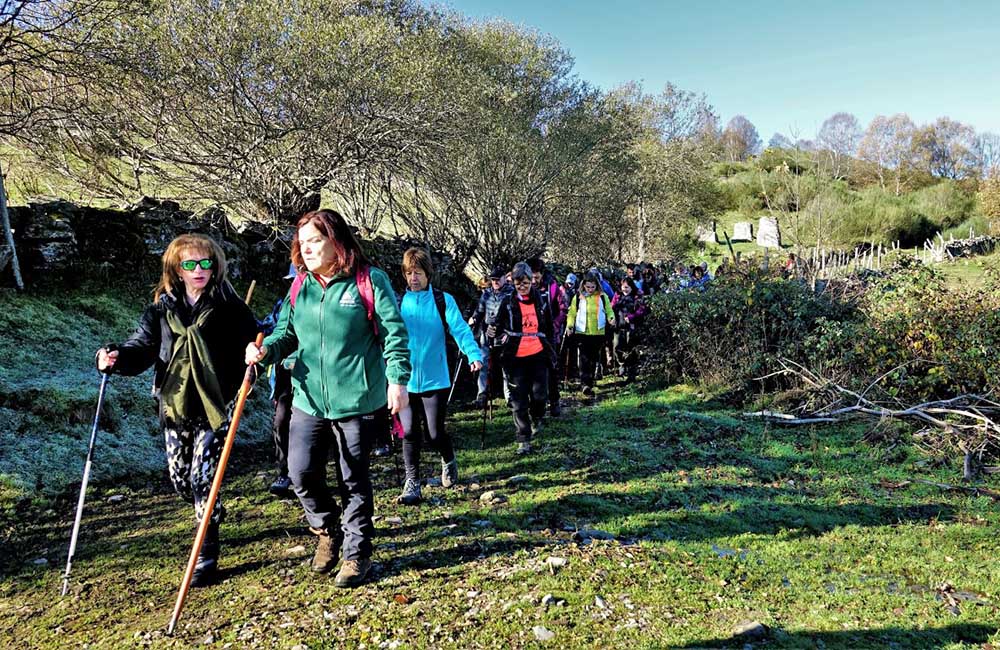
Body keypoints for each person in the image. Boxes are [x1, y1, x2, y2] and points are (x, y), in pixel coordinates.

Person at [245, 209, 410, 589]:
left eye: (315, 241)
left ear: (337, 241)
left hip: (358, 400)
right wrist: (264, 351)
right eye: (302, 243)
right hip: (307, 397)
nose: (307, 249)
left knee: (353, 478)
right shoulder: (300, 285)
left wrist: (397, 381)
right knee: (300, 472)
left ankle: (356, 554)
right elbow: (285, 333)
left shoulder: (370, 281)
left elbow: (394, 335)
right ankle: (326, 530)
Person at [96, 233, 257, 588]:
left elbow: (255, 340)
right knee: (182, 479)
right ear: (176, 269)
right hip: (174, 402)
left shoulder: (230, 306)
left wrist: (255, 356)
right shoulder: (161, 309)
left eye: (205, 263)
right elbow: (142, 347)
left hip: (217, 402)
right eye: (190, 264)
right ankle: (209, 511)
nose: (199, 270)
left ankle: (206, 551)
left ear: (215, 267)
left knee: (203, 477)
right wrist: (115, 356)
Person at [396, 248, 482, 505]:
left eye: (418, 273)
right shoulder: (399, 301)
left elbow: (459, 329)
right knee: (409, 431)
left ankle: (449, 459)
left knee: (434, 434)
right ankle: (412, 482)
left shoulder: (443, 300)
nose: (413, 278)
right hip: (405, 379)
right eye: (409, 273)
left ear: (428, 274)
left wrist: (472, 354)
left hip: (436, 378)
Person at [489, 262, 555, 454]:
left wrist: (551, 350)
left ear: (531, 281)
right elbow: (497, 325)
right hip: (514, 357)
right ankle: (523, 439)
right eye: (518, 283)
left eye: (525, 282)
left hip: (538, 354)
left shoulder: (541, 301)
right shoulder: (508, 302)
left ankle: (537, 416)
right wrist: (492, 330)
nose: (522, 286)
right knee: (518, 401)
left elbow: (549, 328)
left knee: (540, 395)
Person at [257, 263, 298, 497]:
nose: (295, 282)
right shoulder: (284, 303)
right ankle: (284, 472)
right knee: (281, 421)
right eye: (293, 278)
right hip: (285, 372)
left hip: (313, 372)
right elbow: (270, 328)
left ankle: (308, 473)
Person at [468, 265, 513, 406]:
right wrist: (474, 318)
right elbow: (480, 310)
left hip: (504, 335)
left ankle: (510, 396)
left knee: (506, 366)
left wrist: (506, 332)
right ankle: (482, 394)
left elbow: (514, 317)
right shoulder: (486, 294)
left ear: (504, 278)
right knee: (483, 363)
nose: (495, 282)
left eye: (497, 279)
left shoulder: (511, 294)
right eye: (493, 279)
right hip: (486, 333)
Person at [565, 272, 615, 396]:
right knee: (583, 358)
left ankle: (590, 381)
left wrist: (611, 318)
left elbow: (609, 310)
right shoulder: (578, 297)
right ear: (583, 286)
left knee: (593, 358)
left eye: (593, 287)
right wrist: (570, 326)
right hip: (582, 331)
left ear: (597, 286)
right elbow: (572, 312)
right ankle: (584, 383)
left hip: (598, 331)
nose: (590, 289)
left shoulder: (603, 297)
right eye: (588, 287)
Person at [528, 257, 567, 416]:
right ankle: (537, 406)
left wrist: (555, 326)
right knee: (533, 372)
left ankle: (554, 401)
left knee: (551, 369)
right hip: (529, 335)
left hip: (549, 335)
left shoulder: (552, 286)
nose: (533, 280)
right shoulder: (524, 288)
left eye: (536, 276)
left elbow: (562, 308)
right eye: (531, 276)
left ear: (542, 274)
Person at [611, 277, 648, 381]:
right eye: (623, 287)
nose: (625, 289)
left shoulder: (637, 296)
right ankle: (622, 364)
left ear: (632, 287)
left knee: (631, 349)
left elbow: (642, 310)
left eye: (627, 287)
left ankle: (631, 373)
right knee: (616, 347)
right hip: (619, 326)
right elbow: (611, 307)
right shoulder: (617, 295)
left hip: (632, 327)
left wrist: (632, 317)